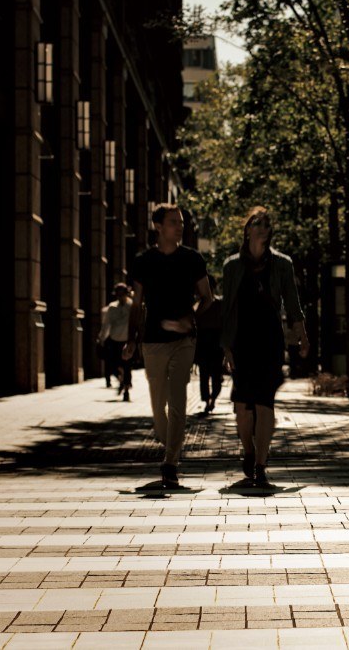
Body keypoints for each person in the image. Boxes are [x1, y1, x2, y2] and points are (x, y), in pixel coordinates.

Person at [123, 204, 213, 488]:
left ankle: (170, 462)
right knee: (157, 404)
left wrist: (190, 319)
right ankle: (169, 442)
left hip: (184, 341)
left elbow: (207, 297)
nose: (180, 226)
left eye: (181, 222)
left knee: (177, 402)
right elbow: (137, 304)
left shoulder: (192, 259)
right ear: (158, 226)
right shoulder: (143, 261)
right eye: (174, 222)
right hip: (152, 341)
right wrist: (131, 339)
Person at [221, 206, 309, 489]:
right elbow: (227, 309)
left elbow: (293, 304)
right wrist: (226, 346)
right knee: (242, 408)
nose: (261, 229)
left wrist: (302, 337)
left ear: (270, 232)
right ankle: (248, 449)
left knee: (265, 402)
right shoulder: (232, 266)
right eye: (256, 224)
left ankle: (260, 464)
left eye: (265, 225)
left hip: (270, 340)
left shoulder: (282, 264)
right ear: (247, 230)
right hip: (242, 341)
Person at [98, 282, 133, 401]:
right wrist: (102, 338)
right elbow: (106, 324)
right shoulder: (112, 307)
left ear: (126, 294)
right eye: (118, 295)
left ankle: (126, 390)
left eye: (122, 294)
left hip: (127, 341)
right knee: (113, 365)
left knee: (127, 366)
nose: (120, 297)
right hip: (114, 340)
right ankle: (121, 379)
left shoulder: (132, 306)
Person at [196, 275, 225, 415]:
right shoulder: (198, 305)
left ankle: (212, 398)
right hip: (203, 342)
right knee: (204, 375)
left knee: (216, 375)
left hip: (216, 342)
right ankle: (207, 400)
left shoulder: (220, 304)